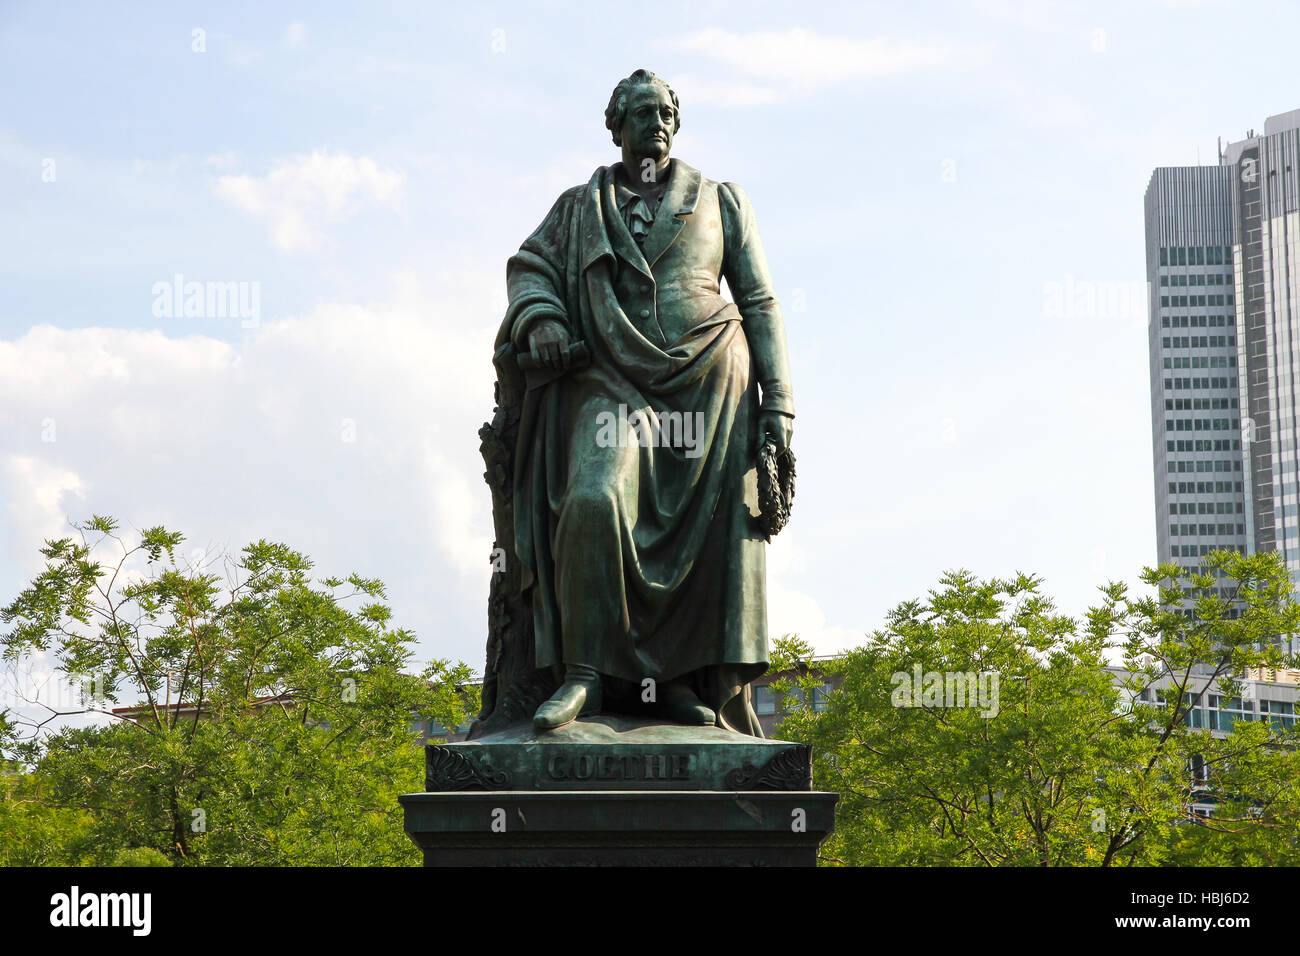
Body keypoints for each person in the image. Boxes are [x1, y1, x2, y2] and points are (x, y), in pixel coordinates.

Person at [501, 69, 795, 736]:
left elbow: (760, 301)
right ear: (617, 127)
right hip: (611, 383)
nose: (654, 123)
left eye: (664, 111)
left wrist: (778, 401)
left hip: (711, 379)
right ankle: (584, 673)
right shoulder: (580, 206)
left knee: (709, 533)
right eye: (640, 113)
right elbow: (530, 267)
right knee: (593, 500)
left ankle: (683, 688)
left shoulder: (722, 200)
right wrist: (542, 317)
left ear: (677, 123)